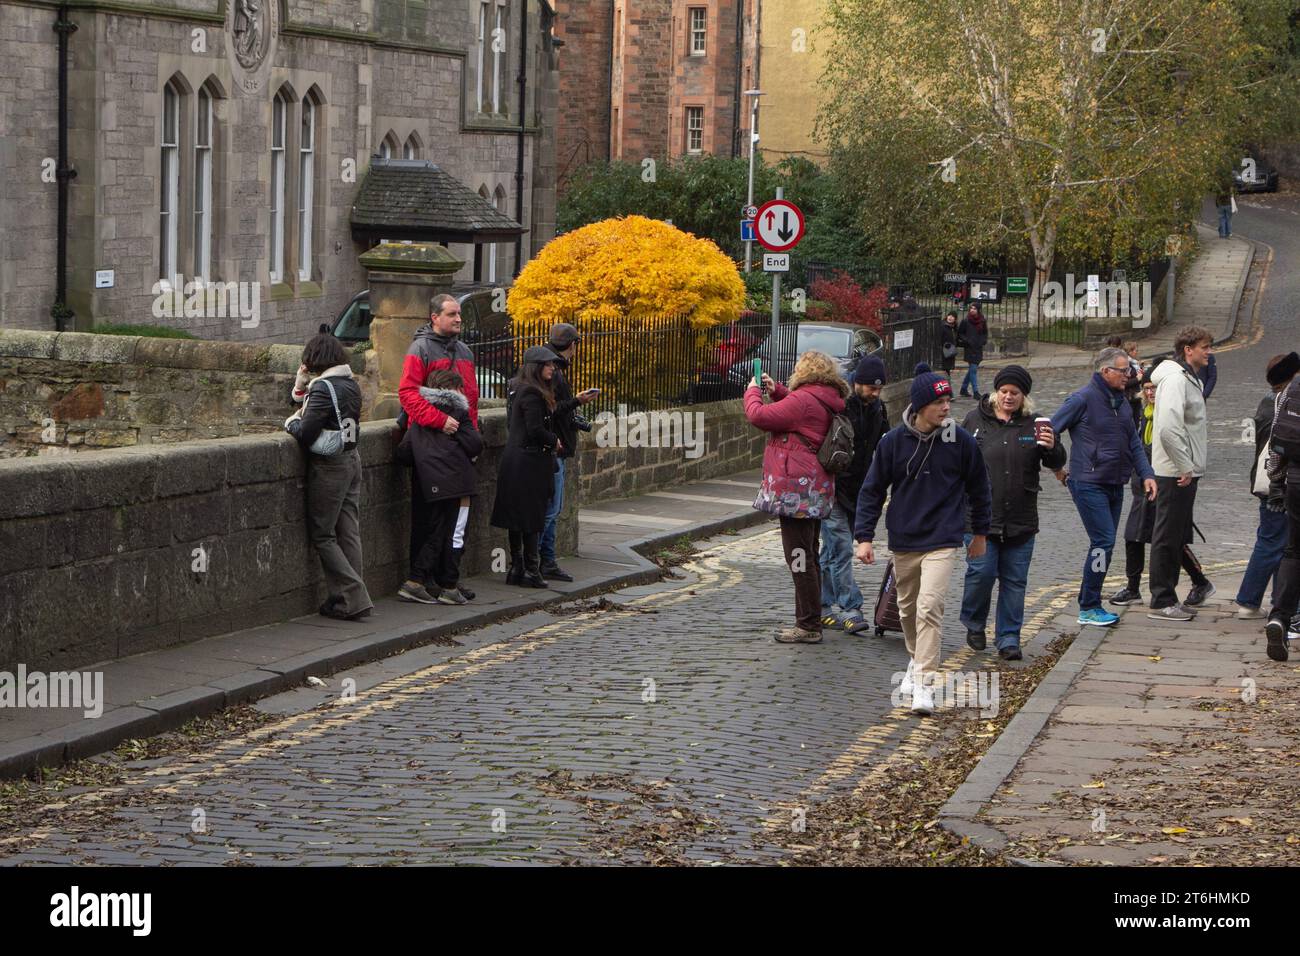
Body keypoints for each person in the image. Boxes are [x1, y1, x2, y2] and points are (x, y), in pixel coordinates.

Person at [854, 363, 992, 715]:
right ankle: (916, 665)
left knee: (930, 608)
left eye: (948, 400)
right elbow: (871, 491)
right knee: (908, 610)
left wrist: (980, 533)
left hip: (944, 538)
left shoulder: (959, 440)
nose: (947, 407)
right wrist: (864, 537)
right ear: (919, 406)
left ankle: (924, 685)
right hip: (904, 539)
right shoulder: (893, 442)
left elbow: (980, 489)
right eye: (940, 402)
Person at [959, 366, 1065, 660]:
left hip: (1021, 518)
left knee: (1015, 581)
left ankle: (1008, 638)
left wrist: (1052, 446)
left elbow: (1056, 460)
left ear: (1023, 396)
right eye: (1004, 392)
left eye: (1014, 393)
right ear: (996, 393)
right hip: (980, 518)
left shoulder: (1035, 424)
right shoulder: (974, 421)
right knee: (981, 573)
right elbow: (957, 462)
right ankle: (974, 623)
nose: (1008, 397)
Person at [745, 351, 848, 645]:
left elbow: (758, 416)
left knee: (799, 558)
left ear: (804, 370)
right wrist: (776, 390)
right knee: (808, 555)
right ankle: (811, 618)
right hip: (814, 490)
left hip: (796, 494)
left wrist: (753, 391)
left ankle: (808, 625)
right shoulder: (824, 396)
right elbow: (797, 411)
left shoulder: (804, 400)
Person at [1050, 347, 1158, 627]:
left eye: (1129, 370)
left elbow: (1133, 441)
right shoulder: (1081, 400)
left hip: (1114, 483)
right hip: (1088, 483)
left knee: (1105, 544)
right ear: (1105, 371)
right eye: (1123, 370)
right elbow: (1049, 431)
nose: (1129, 375)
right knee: (1103, 542)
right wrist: (1057, 468)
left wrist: (1146, 473)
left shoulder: (1121, 402)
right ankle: (1089, 605)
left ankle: (1091, 603)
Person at [285, 327, 373, 621]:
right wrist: (300, 388)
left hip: (329, 466)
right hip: (352, 459)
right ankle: (348, 599)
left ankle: (353, 595)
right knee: (348, 531)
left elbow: (307, 432)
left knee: (323, 534)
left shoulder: (323, 388)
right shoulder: (350, 384)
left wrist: (290, 423)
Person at [1109, 362, 1212, 609]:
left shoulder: (1167, 414)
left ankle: (1200, 582)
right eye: (1146, 389)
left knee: (1167, 539)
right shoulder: (1142, 413)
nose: (1150, 392)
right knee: (1134, 534)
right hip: (1143, 482)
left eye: (1154, 388)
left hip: (1165, 479)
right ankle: (1133, 588)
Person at [399, 294, 480, 599]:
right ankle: (422, 580)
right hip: (430, 447)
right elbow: (408, 394)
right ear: (435, 317)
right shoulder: (420, 349)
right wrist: (439, 421)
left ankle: (445, 579)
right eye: (452, 314)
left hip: (458, 446)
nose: (459, 319)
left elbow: (469, 400)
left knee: (449, 520)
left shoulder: (465, 352)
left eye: (459, 314)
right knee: (428, 518)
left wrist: (468, 435)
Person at [395, 369, 483, 606]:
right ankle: (448, 586)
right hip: (458, 483)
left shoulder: (420, 414)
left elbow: (403, 453)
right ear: (455, 389)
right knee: (455, 535)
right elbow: (475, 445)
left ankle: (417, 581)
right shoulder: (459, 412)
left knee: (434, 532)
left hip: (428, 482)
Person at [818, 355, 890, 634]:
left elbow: (886, 444)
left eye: (880, 388)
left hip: (860, 491)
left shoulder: (878, 409)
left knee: (831, 552)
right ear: (857, 383)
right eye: (871, 388)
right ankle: (851, 608)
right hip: (832, 488)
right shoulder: (839, 405)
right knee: (842, 549)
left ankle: (822, 606)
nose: (876, 393)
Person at [1147, 326, 1213, 621]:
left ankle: (1168, 598)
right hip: (1175, 472)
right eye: (1205, 347)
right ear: (1188, 349)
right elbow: (1168, 428)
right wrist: (1184, 465)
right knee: (1167, 536)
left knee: (1174, 537)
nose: (1209, 352)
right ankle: (1162, 601)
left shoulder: (1187, 378)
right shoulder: (1175, 379)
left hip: (1182, 470)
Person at [491, 346, 564, 589]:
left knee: (516, 518)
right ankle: (532, 571)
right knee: (532, 518)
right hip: (529, 463)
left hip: (516, 461)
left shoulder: (517, 389)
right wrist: (554, 440)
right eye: (548, 365)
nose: (552, 368)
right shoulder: (532, 394)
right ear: (536, 367)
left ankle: (516, 568)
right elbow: (535, 430)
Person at [1235, 352, 1300, 619]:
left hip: (1273, 482)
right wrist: (1277, 482)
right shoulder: (1282, 404)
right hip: (1278, 484)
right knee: (1272, 542)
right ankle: (1248, 602)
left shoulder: (1271, 402)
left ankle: (1278, 600)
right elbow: (1276, 449)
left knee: (1280, 543)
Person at [537, 323, 599, 583]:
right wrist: (578, 401)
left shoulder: (550, 368)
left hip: (554, 447)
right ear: (573, 344)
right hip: (554, 449)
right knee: (551, 509)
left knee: (553, 509)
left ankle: (546, 560)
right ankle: (536, 561)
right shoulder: (555, 372)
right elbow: (552, 410)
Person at [1265, 369, 1300, 661]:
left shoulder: (1295, 385)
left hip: (1296, 482)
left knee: (1294, 551)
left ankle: (1280, 618)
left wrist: (1276, 480)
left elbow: (1278, 432)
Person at [956, 303, 988, 399]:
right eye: (971, 308)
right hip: (969, 348)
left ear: (978, 310)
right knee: (973, 370)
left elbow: (985, 333)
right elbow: (960, 333)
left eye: (974, 308)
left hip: (978, 348)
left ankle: (963, 389)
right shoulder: (966, 321)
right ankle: (976, 392)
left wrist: (983, 341)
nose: (972, 310)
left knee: (971, 370)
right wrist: (967, 340)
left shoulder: (982, 320)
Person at [940, 311, 959, 377]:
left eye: (952, 316)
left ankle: (948, 385)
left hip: (950, 352)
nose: (950, 317)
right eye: (949, 315)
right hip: (944, 352)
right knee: (944, 372)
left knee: (947, 373)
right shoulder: (942, 326)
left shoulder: (954, 328)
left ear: (955, 319)